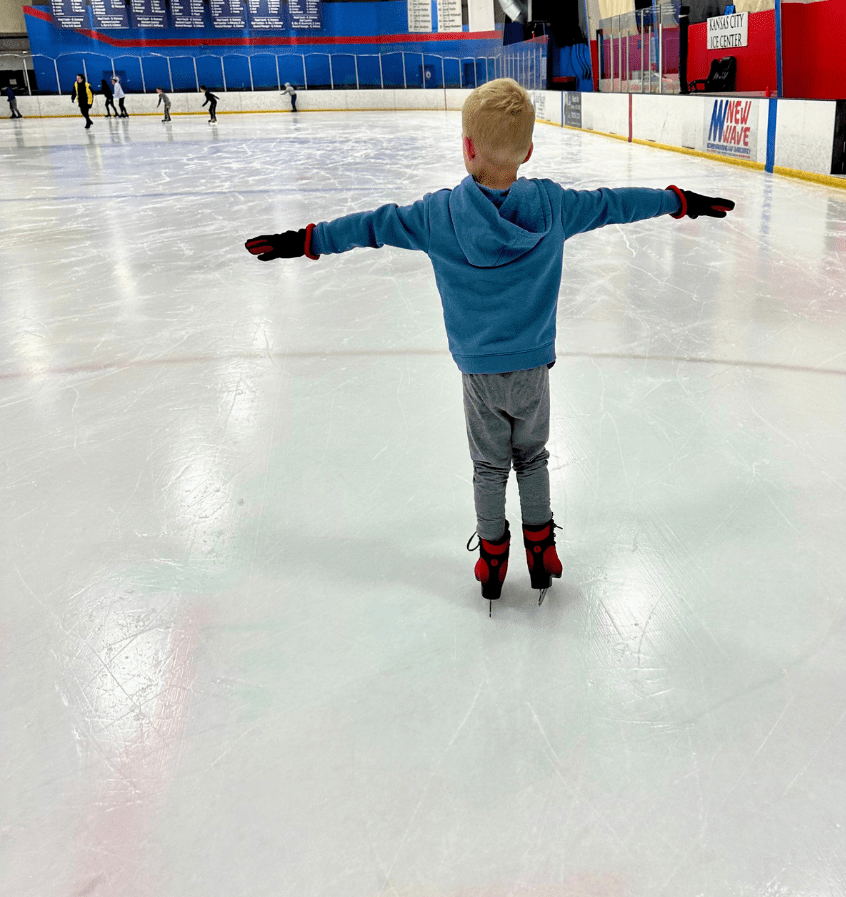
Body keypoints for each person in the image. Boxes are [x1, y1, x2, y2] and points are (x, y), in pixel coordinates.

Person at [243, 78, 735, 611]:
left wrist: (307, 240)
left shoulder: (437, 216)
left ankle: (494, 556)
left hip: (479, 375)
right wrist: (677, 200)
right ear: (527, 150)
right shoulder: (554, 206)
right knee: (534, 458)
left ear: (467, 146)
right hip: (532, 371)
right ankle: (541, 547)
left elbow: (372, 227)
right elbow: (615, 203)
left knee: (488, 467)